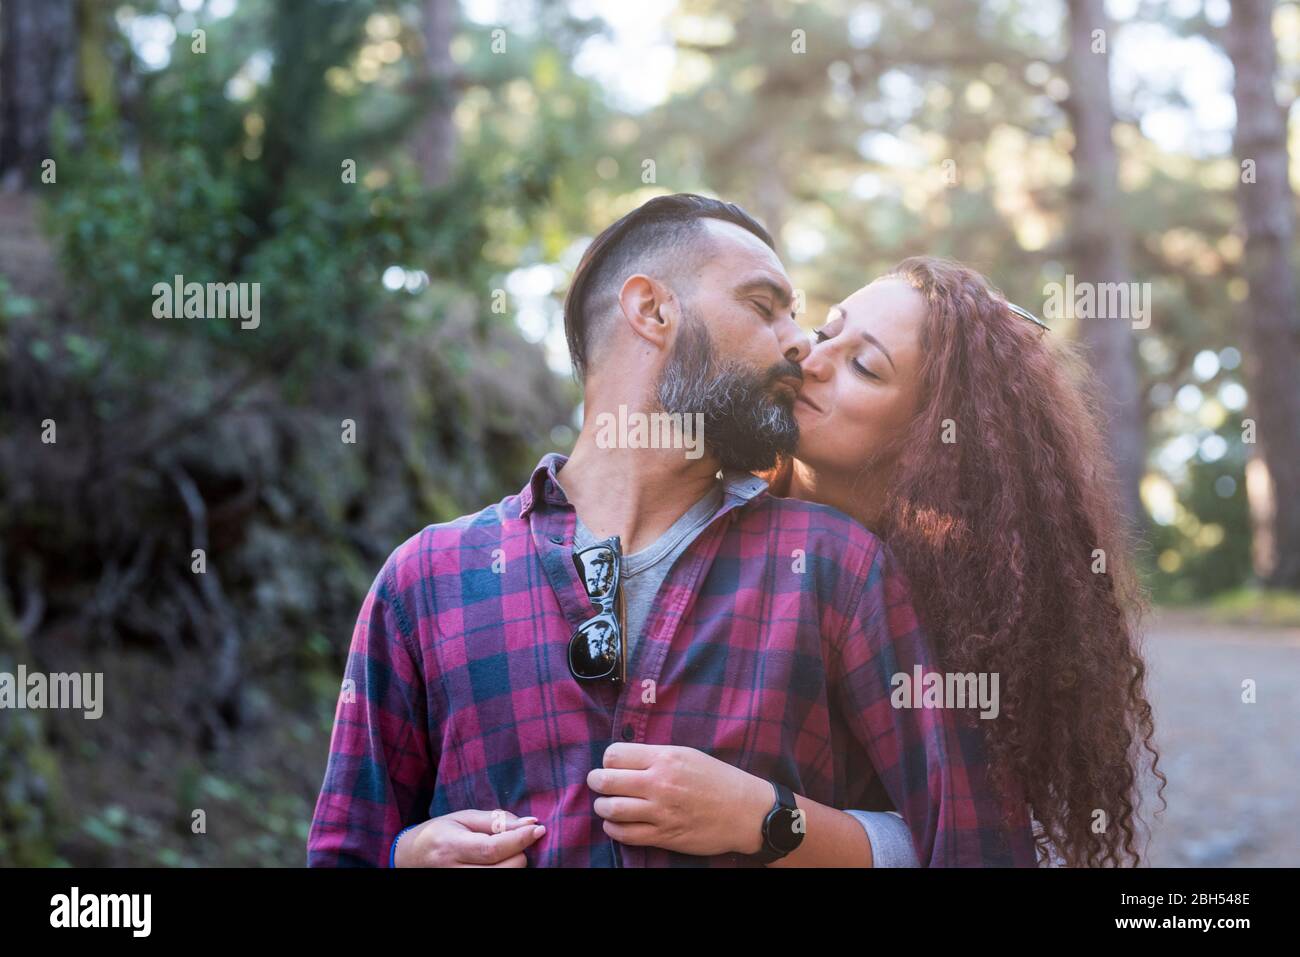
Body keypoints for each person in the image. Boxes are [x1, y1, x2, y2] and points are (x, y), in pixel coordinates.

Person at [307, 194, 1037, 868]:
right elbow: (344, 848)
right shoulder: (425, 579)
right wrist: (408, 856)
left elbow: (978, 844)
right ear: (651, 310)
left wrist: (773, 820)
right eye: (765, 307)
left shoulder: (835, 568)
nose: (799, 348)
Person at [767, 257, 1166, 866]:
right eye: (825, 332)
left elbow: (975, 849)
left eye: (865, 366)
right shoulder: (700, 515)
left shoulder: (943, 625)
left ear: (930, 445)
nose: (811, 360)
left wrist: (766, 821)